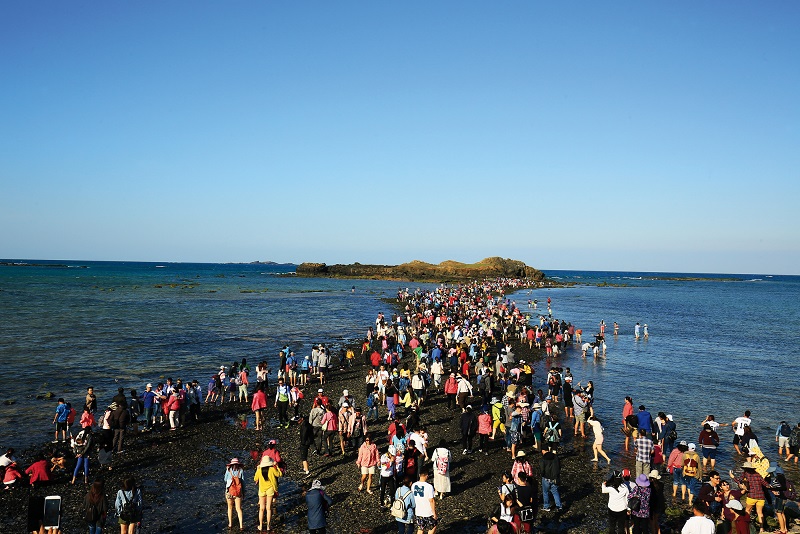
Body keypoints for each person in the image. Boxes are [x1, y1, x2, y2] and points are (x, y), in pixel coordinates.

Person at [254, 455, 282, 532]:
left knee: (261, 509)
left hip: (262, 490)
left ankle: (260, 525)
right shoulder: (272, 469)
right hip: (270, 490)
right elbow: (280, 474)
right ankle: (268, 526)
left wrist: (257, 469)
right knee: (269, 508)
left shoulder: (260, 470)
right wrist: (277, 467)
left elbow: (255, 478)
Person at [412, 469, 438, 534]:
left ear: (419, 475)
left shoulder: (414, 485)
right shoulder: (429, 486)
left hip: (418, 511)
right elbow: (431, 500)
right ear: (427, 476)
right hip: (428, 512)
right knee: (433, 526)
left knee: (420, 529)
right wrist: (434, 512)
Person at [540, 444, 562, 512]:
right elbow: (559, 466)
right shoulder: (555, 457)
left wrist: (542, 474)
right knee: (555, 492)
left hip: (546, 478)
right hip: (554, 478)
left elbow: (542, 469)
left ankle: (546, 506)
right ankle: (559, 506)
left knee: (545, 492)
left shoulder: (543, 459)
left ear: (543, 451)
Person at [224, 458, 244, 530]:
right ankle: (241, 525)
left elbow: (225, 479)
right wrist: (243, 493)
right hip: (238, 493)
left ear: (231, 465)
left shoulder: (229, 471)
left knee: (230, 508)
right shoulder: (241, 471)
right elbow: (243, 483)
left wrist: (227, 470)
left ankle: (230, 524)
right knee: (238, 509)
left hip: (229, 492)